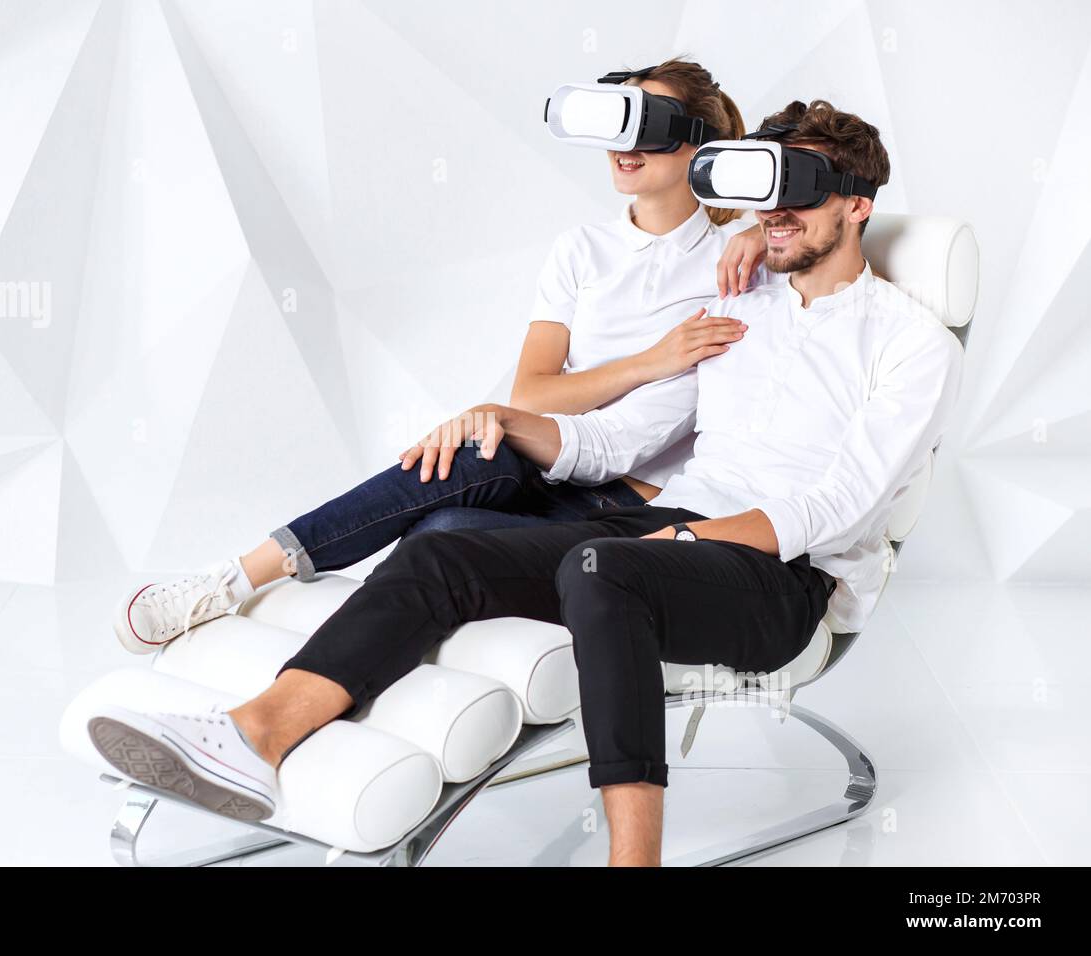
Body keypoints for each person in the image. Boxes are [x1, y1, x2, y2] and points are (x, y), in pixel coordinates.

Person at [88, 99, 965, 866]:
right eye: (763, 195)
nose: (773, 215)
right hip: (674, 531)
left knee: (601, 567)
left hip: (780, 579)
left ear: (856, 206)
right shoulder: (737, 305)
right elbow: (632, 432)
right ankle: (255, 734)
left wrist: (696, 539)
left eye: (797, 195)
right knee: (448, 559)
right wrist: (509, 425)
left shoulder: (909, 342)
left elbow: (839, 504)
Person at [111, 57, 768, 654]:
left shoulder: (735, 268)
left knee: (448, 523)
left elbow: (621, 442)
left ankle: (339, 648)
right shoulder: (580, 250)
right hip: (546, 461)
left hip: (620, 500)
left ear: (700, 146)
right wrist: (648, 361)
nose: (623, 148)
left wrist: (761, 235)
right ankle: (228, 582)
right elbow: (531, 393)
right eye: (615, 124)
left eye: (645, 127)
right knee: (475, 450)